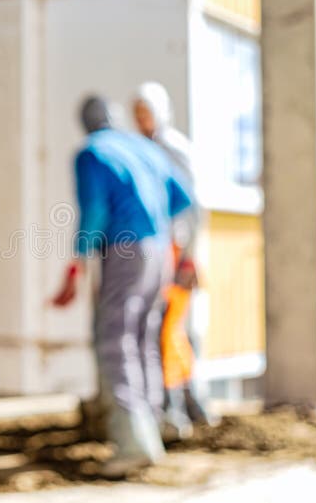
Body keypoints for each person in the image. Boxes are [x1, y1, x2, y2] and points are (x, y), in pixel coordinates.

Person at [51, 95, 194, 475]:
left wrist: (78, 261)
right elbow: (182, 198)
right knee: (144, 336)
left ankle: (133, 442)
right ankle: (155, 425)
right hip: (160, 248)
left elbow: (94, 210)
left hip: (126, 249)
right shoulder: (142, 147)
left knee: (115, 339)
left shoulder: (92, 153)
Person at [133, 82, 208, 432]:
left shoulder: (172, 149)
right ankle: (187, 404)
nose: (140, 121)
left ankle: (181, 406)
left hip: (178, 251)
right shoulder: (143, 149)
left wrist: (188, 256)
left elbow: (193, 206)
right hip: (162, 248)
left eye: (145, 113)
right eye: (137, 114)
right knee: (163, 328)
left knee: (169, 327)